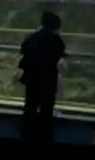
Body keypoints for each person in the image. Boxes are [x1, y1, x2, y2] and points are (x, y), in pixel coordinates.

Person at [20, 11, 67, 146]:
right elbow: (59, 51)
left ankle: (28, 131)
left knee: (31, 103)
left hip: (33, 75)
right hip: (48, 76)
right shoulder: (55, 39)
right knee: (47, 106)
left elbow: (24, 49)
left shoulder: (33, 37)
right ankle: (44, 133)